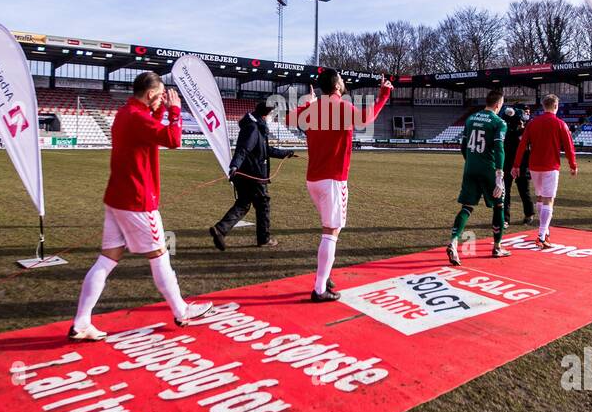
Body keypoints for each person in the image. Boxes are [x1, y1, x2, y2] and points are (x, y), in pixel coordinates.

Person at [68, 71, 214, 341]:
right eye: (158, 96)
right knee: (160, 255)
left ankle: (81, 321)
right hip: (138, 201)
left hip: (117, 198)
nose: (161, 100)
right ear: (150, 95)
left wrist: (159, 111)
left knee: (107, 259)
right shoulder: (136, 118)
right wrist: (175, 112)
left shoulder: (126, 114)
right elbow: (173, 140)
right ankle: (181, 310)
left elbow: (150, 130)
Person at [288, 69, 393, 302]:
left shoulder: (314, 108)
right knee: (331, 232)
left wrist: (309, 104)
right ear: (336, 86)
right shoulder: (342, 106)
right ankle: (319, 288)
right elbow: (366, 119)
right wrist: (383, 96)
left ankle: (325, 277)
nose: (344, 84)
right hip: (333, 180)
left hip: (313, 179)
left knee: (330, 229)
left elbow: (288, 118)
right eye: (342, 81)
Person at [210, 100, 297, 249]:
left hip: (245, 175)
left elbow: (265, 150)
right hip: (254, 175)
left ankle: (220, 229)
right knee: (263, 204)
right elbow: (243, 149)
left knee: (243, 204)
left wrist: (285, 153)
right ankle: (264, 239)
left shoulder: (256, 127)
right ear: (266, 114)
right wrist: (234, 165)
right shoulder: (253, 128)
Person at [448, 89, 511, 265]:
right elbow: (499, 149)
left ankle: (453, 241)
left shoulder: (471, 118)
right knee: (499, 205)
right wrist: (499, 174)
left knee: (466, 207)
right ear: (498, 104)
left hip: (470, 168)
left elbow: (463, 146)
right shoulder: (499, 122)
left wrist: (471, 162)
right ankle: (497, 247)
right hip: (489, 170)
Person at [513, 93, 578, 249]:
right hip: (551, 166)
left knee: (541, 197)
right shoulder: (560, 124)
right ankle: (542, 235)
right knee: (548, 199)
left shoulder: (533, 123)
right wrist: (573, 164)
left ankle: (545, 231)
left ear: (543, 106)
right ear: (556, 106)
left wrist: (516, 165)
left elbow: (522, 146)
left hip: (534, 166)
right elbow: (569, 147)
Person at [501, 103, 534, 226]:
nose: (527, 114)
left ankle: (529, 214)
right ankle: (505, 218)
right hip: (508, 162)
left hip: (523, 163)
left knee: (524, 190)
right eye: (525, 111)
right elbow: (503, 116)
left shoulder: (529, 127)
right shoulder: (507, 125)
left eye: (528, 111)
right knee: (505, 191)